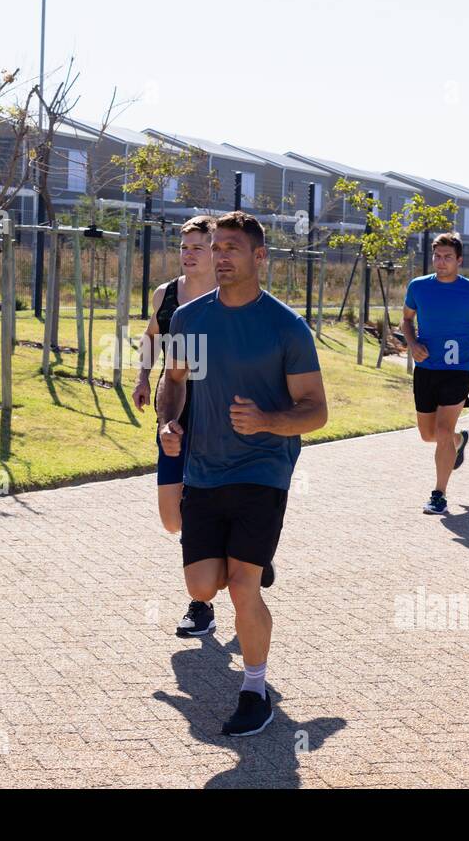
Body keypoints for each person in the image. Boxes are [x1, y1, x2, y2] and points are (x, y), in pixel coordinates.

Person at [158, 211, 327, 735]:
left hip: (263, 469)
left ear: (260, 257)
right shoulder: (190, 319)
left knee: (240, 585)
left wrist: (268, 421)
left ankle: (254, 689)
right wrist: (168, 420)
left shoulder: (285, 327)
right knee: (202, 586)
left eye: (233, 247)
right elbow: (175, 379)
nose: (221, 256)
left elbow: (316, 410)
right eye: (216, 247)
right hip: (204, 469)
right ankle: (251, 565)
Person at [132, 216, 219, 637]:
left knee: (206, 502)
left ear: (215, 250)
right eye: (184, 247)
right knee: (171, 517)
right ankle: (234, 552)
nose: (188, 254)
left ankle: (201, 603)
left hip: (219, 414)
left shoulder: (230, 295)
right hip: (176, 408)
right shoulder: (165, 294)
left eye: (197, 247)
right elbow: (152, 336)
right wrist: (143, 376)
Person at [401, 232, 469, 514]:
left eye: (447, 257)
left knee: (442, 430)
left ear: (459, 260)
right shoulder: (418, 287)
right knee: (428, 434)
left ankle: (439, 494)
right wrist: (412, 343)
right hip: (426, 369)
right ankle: (459, 440)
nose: (441, 262)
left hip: (458, 370)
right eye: (437, 256)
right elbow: (407, 320)